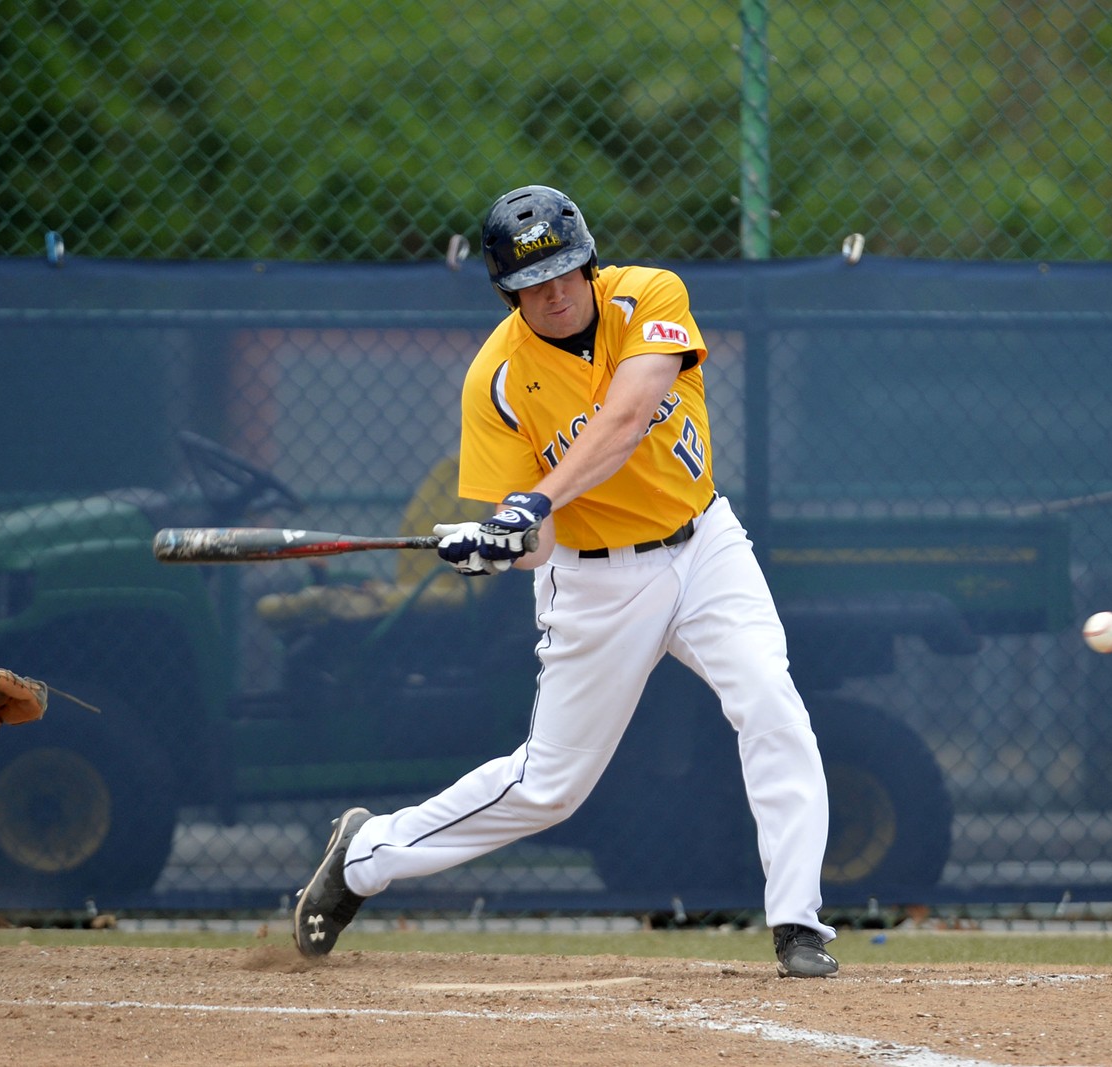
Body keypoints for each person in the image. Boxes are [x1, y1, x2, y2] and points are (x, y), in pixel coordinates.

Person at [291, 184, 838, 978]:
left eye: (565, 271)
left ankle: (798, 921)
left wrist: (533, 499)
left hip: (705, 545)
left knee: (770, 700)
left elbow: (625, 419)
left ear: (587, 261)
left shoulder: (648, 295)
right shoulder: (497, 380)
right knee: (551, 787)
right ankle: (365, 856)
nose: (552, 293)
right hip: (594, 583)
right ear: (506, 290)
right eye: (531, 283)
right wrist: (494, 543)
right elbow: (537, 547)